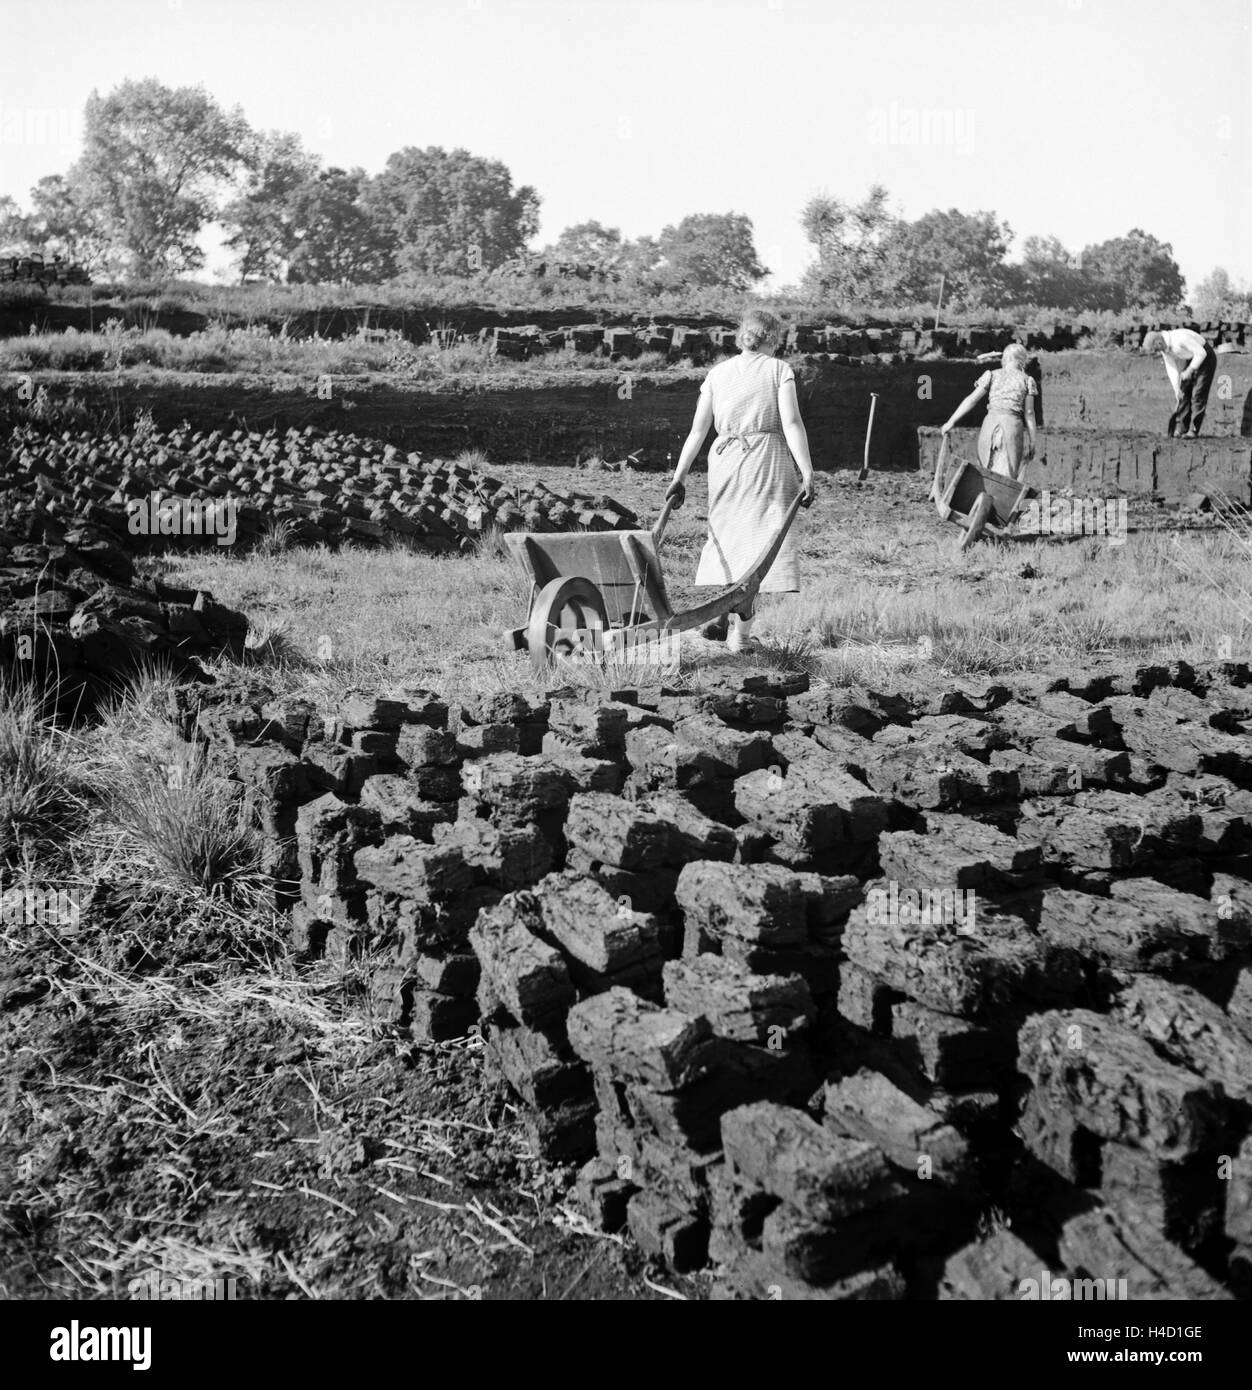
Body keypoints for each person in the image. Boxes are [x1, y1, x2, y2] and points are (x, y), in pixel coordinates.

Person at [664, 308, 815, 653]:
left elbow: (698, 431)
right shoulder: (779, 370)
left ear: (741, 337)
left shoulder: (718, 373)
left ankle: (719, 617)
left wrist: (679, 477)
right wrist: (806, 470)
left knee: (728, 537)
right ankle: (740, 636)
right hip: (766, 460)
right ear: (773, 340)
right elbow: (791, 423)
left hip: (725, 463)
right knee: (759, 547)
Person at [940, 343, 1039, 481]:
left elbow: (971, 400)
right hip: (1012, 428)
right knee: (1007, 480)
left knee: (985, 472)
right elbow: (1029, 412)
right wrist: (1033, 441)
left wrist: (951, 421)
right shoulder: (1027, 380)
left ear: (1005, 359)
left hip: (990, 426)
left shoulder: (991, 375)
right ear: (1022, 360)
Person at [1141, 328, 1217, 438]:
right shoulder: (1164, 348)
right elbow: (1171, 368)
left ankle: (1193, 430)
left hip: (1206, 358)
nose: (1158, 352)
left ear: (1159, 342)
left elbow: (1201, 353)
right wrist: (1177, 390)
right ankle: (1181, 429)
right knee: (1184, 394)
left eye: (1156, 349)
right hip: (1191, 358)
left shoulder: (1180, 339)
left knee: (1198, 395)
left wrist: (1190, 370)